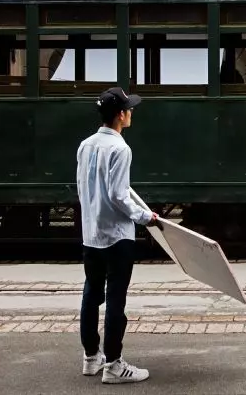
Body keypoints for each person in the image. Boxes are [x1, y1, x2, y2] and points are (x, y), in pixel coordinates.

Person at [76, 87, 159, 384]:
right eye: (129, 109)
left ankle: (91, 358)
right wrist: (145, 217)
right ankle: (113, 364)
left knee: (91, 294)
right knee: (115, 301)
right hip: (117, 237)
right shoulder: (121, 149)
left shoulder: (85, 146)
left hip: (91, 235)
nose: (131, 113)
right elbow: (119, 195)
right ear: (121, 115)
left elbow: (85, 190)